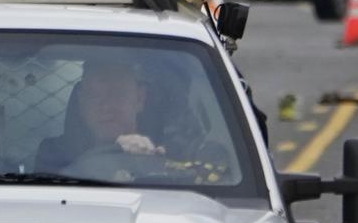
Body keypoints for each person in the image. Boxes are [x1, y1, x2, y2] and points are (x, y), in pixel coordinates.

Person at [36, 56, 237, 182]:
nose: (105, 106)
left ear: (140, 99)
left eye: (117, 94)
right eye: (94, 96)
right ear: (80, 102)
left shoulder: (180, 151)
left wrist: (152, 162)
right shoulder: (53, 154)